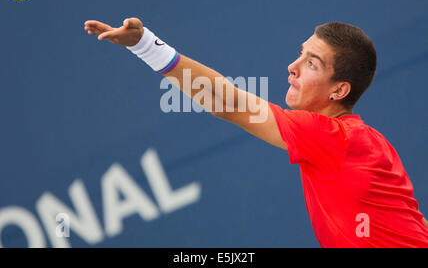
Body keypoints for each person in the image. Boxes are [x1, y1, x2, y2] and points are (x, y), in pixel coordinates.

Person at [84, 17, 428, 247]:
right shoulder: (368, 141)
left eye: (311, 64)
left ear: (338, 91)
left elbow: (225, 101)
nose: (292, 68)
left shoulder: (329, 136)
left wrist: (145, 44)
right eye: (300, 54)